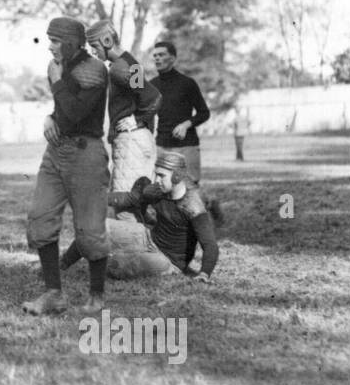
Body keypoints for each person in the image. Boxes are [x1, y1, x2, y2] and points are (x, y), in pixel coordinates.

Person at [22, 17, 111, 317]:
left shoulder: (95, 69)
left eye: (56, 41)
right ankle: (53, 294)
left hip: (86, 153)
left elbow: (74, 112)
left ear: (72, 42)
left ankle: (96, 295)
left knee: (90, 231)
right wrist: (50, 116)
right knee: (40, 217)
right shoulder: (62, 67)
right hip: (56, 150)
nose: (49, 46)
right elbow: (63, 110)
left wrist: (56, 82)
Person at [62, 150, 220, 282]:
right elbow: (129, 199)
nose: (157, 180)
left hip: (167, 262)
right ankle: (61, 265)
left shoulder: (193, 205)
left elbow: (210, 245)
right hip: (147, 238)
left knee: (115, 265)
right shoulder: (159, 190)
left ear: (177, 176)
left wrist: (204, 274)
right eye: (156, 174)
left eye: (161, 175)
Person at [86, 20, 161, 193]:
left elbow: (154, 97)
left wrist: (137, 120)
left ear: (106, 41)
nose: (93, 51)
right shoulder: (128, 62)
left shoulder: (120, 68)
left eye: (94, 46)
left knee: (125, 207)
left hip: (131, 142)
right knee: (138, 204)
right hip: (138, 141)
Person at [150, 40, 210, 183]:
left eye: (161, 55)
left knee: (189, 192)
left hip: (187, 147)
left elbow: (204, 112)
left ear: (172, 58)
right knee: (163, 194)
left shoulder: (187, 83)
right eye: (155, 55)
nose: (157, 58)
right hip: (162, 147)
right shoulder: (152, 85)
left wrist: (185, 125)